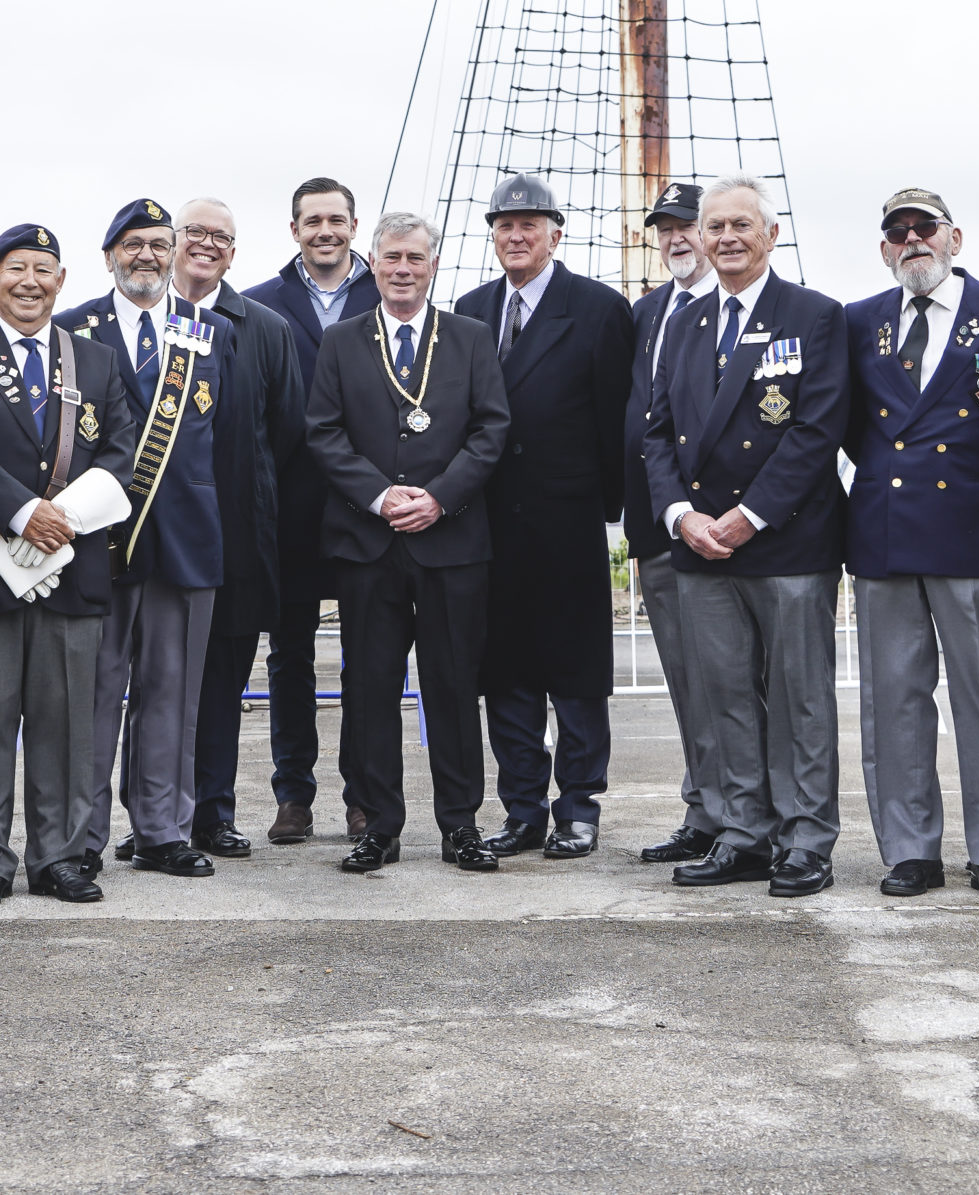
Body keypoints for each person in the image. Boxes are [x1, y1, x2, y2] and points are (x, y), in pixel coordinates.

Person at [0, 224, 140, 909]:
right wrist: (22, 511)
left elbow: (123, 450)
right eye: (16, 268)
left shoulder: (96, 361)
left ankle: (61, 857)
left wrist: (63, 518)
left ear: (62, 280)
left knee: (68, 719)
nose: (29, 281)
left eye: (43, 269)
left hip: (70, 568)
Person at [642, 174, 850, 897]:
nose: (726, 237)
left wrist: (749, 515)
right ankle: (742, 832)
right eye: (715, 226)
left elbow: (815, 431)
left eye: (741, 225)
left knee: (799, 699)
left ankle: (805, 838)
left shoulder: (816, 315)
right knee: (723, 695)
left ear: (771, 233)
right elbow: (657, 432)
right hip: (702, 547)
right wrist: (680, 516)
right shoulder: (689, 322)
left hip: (786, 542)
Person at [304, 212, 511, 873]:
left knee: (452, 687)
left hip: (450, 542)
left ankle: (461, 825)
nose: (402, 268)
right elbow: (323, 432)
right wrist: (380, 494)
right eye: (391, 257)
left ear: (432, 265)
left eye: (414, 258)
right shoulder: (340, 341)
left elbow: (491, 428)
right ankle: (379, 826)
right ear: (373, 261)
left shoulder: (471, 338)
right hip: (368, 544)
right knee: (369, 689)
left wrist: (439, 496)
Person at [841, 188, 979, 902]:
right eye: (899, 232)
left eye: (926, 229)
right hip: (886, 530)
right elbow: (846, 420)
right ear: (885, 248)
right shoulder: (860, 322)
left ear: (955, 238)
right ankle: (911, 849)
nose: (913, 240)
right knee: (893, 699)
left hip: (975, 531)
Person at [454, 174, 634, 859]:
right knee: (506, 674)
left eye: (530, 224)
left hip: (566, 519)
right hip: (491, 524)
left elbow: (618, 419)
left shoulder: (596, 308)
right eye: (504, 225)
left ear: (556, 234)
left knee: (577, 672)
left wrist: (609, 511)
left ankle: (580, 805)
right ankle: (522, 807)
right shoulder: (470, 309)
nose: (516, 235)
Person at [57, 199, 236, 879]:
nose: (147, 257)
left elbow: (229, 443)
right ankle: (82, 834)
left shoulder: (210, 331)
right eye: (133, 245)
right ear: (109, 255)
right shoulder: (75, 328)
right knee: (93, 694)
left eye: (159, 245)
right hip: (98, 543)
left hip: (186, 541)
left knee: (173, 691)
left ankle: (163, 828)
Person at [243, 177, 380, 841]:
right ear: (293, 229)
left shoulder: (390, 295)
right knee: (288, 655)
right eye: (312, 221)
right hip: (288, 510)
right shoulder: (259, 304)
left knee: (367, 654)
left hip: (367, 506)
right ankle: (293, 793)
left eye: (336, 219)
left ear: (354, 225)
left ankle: (362, 795)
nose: (324, 230)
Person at [171, 198, 305, 859]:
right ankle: (153, 817)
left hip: (235, 543)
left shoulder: (266, 329)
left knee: (222, 689)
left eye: (219, 236)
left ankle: (212, 814)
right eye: (193, 231)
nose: (205, 243)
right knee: (156, 686)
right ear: (171, 243)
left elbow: (284, 433)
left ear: (234, 251)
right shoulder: (136, 322)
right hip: (152, 545)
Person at [621, 181, 723, 865]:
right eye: (666, 229)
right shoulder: (647, 311)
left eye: (688, 225)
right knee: (687, 681)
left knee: (732, 681)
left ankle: (743, 812)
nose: (676, 238)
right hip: (657, 525)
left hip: (721, 528)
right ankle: (704, 808)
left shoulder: (739, 305)